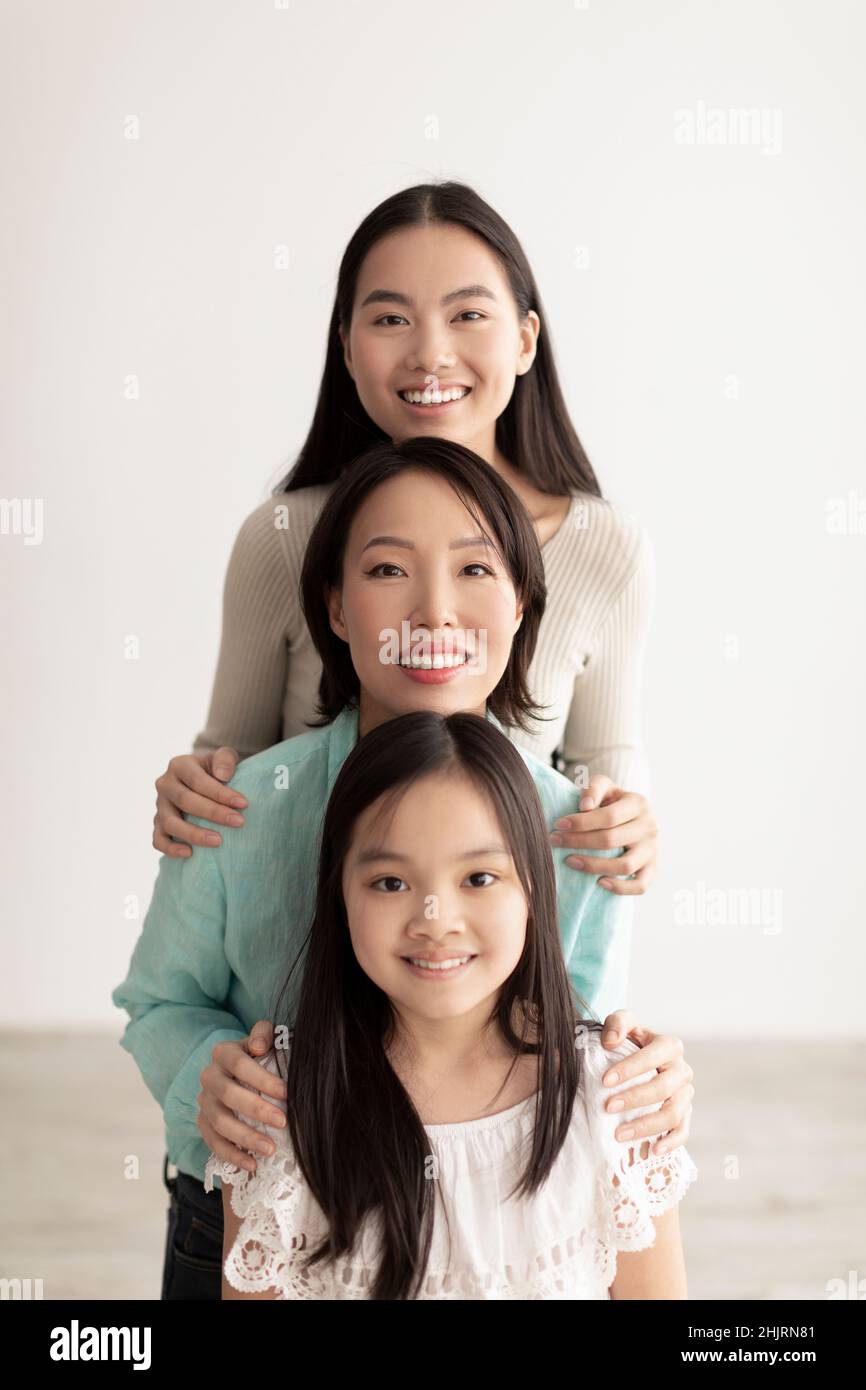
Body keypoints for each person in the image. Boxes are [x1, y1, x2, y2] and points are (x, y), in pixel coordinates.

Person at [113, 439, 694, 1299]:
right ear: (336, 608)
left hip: (497, 1219)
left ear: (525, 601)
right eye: (388, 571)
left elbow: (582, 1038)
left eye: (474, 570)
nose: (432, 610)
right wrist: (214, 1075)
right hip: (262, 1201)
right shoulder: (239, 812)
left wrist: (647, 1081)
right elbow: (157, 1002)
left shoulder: (578, 831)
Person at [151, 180, 659, 898]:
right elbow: (227, 780)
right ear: (348, 348)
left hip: (487, 987)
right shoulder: (283, 536)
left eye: (468, 315)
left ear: (523, 340)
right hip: (295, 982)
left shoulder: (606, 550)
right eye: (390, 318)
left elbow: (601, 801)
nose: (430, 354)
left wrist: (629, 826)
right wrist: (191, 791)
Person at [204, 709, 697, 1300]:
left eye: (479, 878)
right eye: (390, 883)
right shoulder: (276, 1111)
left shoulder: (614, 1099)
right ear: (339, 898)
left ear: (533, 892)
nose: (436, 922)